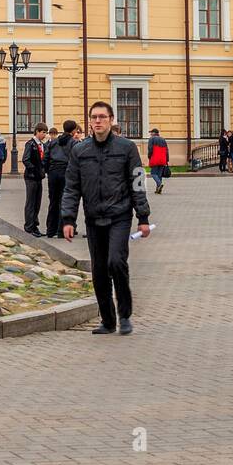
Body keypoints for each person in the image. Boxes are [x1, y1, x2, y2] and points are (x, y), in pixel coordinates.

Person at [61, 100, 151, 335]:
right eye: (94, 117)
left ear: (111, 120)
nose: (98, 121)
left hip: (119, 216)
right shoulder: (80, 150)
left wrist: (143, 216)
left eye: (102, 117)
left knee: (116, 263)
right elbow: (71, 187)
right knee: (99, 270)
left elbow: (137, 182)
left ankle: (125, 315)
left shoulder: (126, 148)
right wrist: (68, 219)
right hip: (93, 218)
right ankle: (108, 321)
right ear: (90, 122)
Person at [45, 120, 79, 238]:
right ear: (73, 130)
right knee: (64, 201)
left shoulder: (53, 142)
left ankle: (50, 229)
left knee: (53, 201)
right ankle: (61, 230)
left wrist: (48, 171)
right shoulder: (73, 143)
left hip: (53, 173)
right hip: (66, 172)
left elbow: (46, 157)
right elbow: (76, 160)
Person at [21, 123, 48, 236]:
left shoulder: (42, 145)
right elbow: (25, 160)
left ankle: (35, 225)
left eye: (46, 133)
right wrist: (35, 169)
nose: (45, 135)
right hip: (31, 177)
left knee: (37, 202)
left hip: (38, 177)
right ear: (37, 131)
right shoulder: (30, 144)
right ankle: (29, 227)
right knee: (31, 202)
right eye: (43, 132)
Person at [147, 127, 169, 193]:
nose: (150, 134)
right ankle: (158, 189)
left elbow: (150, 149)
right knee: (159, 175)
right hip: (163, 159)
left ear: (154, 133)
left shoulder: (151, 139)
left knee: (153, 173)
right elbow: (167, 150)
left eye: (151, 132)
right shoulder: (163, 139)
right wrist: (167, 159)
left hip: (155, 158)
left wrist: (149, 156)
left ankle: (159, 184)